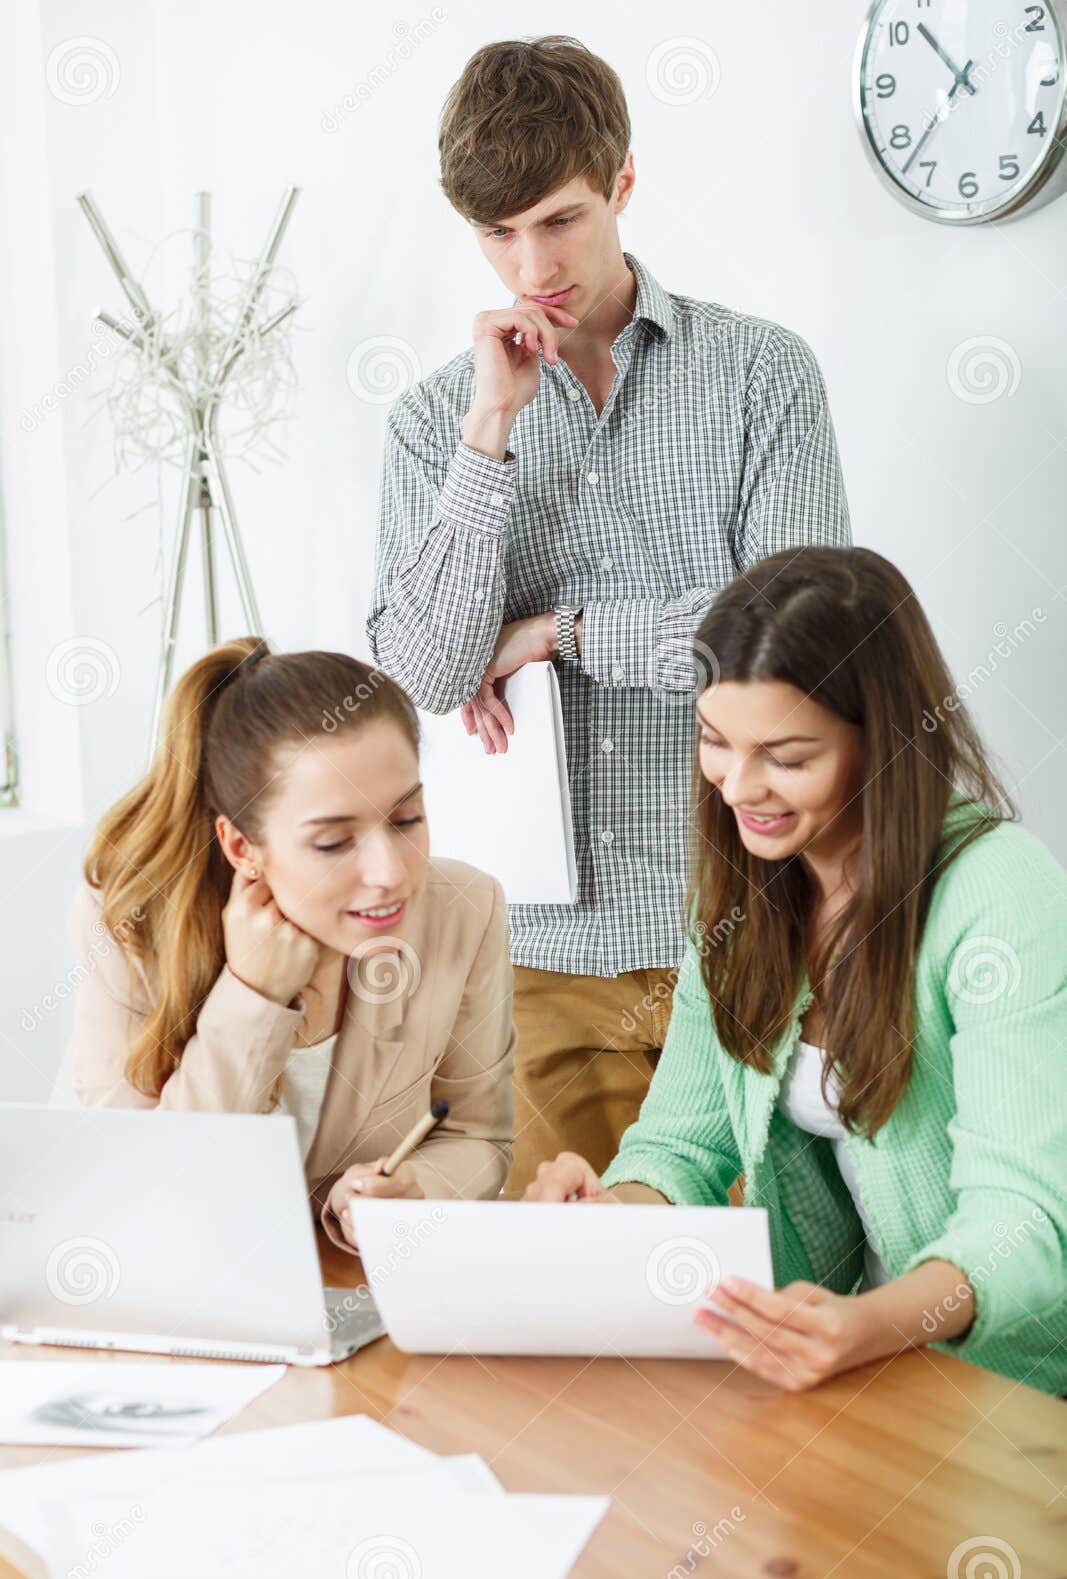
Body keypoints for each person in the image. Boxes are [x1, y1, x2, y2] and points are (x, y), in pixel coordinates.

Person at [368, 36, 852, 1198]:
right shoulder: (435, 422)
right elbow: (425, 671)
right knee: (579, 1329)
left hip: (748, 930)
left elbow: (798, 644)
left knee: (767, 1316)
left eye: (559, 220)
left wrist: (558, 632)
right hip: (542, 958)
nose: (530, 264)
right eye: (496, 234)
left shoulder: (759, 376)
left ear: (622, 184)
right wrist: (490, 434)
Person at [524, 546, 1067, 1398]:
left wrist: (866, 1325)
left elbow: (1022, 1226)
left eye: (786, 756)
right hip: (852, 1365)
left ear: (880, 743)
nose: (740, 786)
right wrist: (610, 1217)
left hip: (1010, 1385)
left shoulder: (999, 894)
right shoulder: (749, 889)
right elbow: (682, 1143)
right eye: (713, 741)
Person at [68, 637, 514, 1252]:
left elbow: (477, 1135)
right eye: (334, 842)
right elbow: (147, 1196)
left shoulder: (466, 911)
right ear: (240, 847)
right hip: (164, 1284)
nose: (390, 871)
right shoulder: (132, 921)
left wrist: (413, 1187)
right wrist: (253, 997)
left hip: (350, 1300)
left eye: (406, 819)